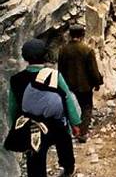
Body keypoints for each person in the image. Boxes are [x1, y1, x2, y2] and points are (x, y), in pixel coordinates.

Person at [8, 39, 81, 177]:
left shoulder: (16, 79)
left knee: (35, 158)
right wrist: (75, 123)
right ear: (45, 55)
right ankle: (67, 169)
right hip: (56, 124)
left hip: (31, 126)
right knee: (65, 145)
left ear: (25, 57)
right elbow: (67, 99)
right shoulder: (54, 75)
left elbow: (13, 107)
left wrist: (16, 126)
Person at [58, 25, 102, 143]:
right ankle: (82, 133)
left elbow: (60, 70)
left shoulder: (63, 50)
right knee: (86, 108)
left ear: (70, 35)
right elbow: (93, 70)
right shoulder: (87, 50)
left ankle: (72, 129)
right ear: (83, 35)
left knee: (69, 107)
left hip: (68, 86)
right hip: (84, 86)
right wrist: (97, 83)